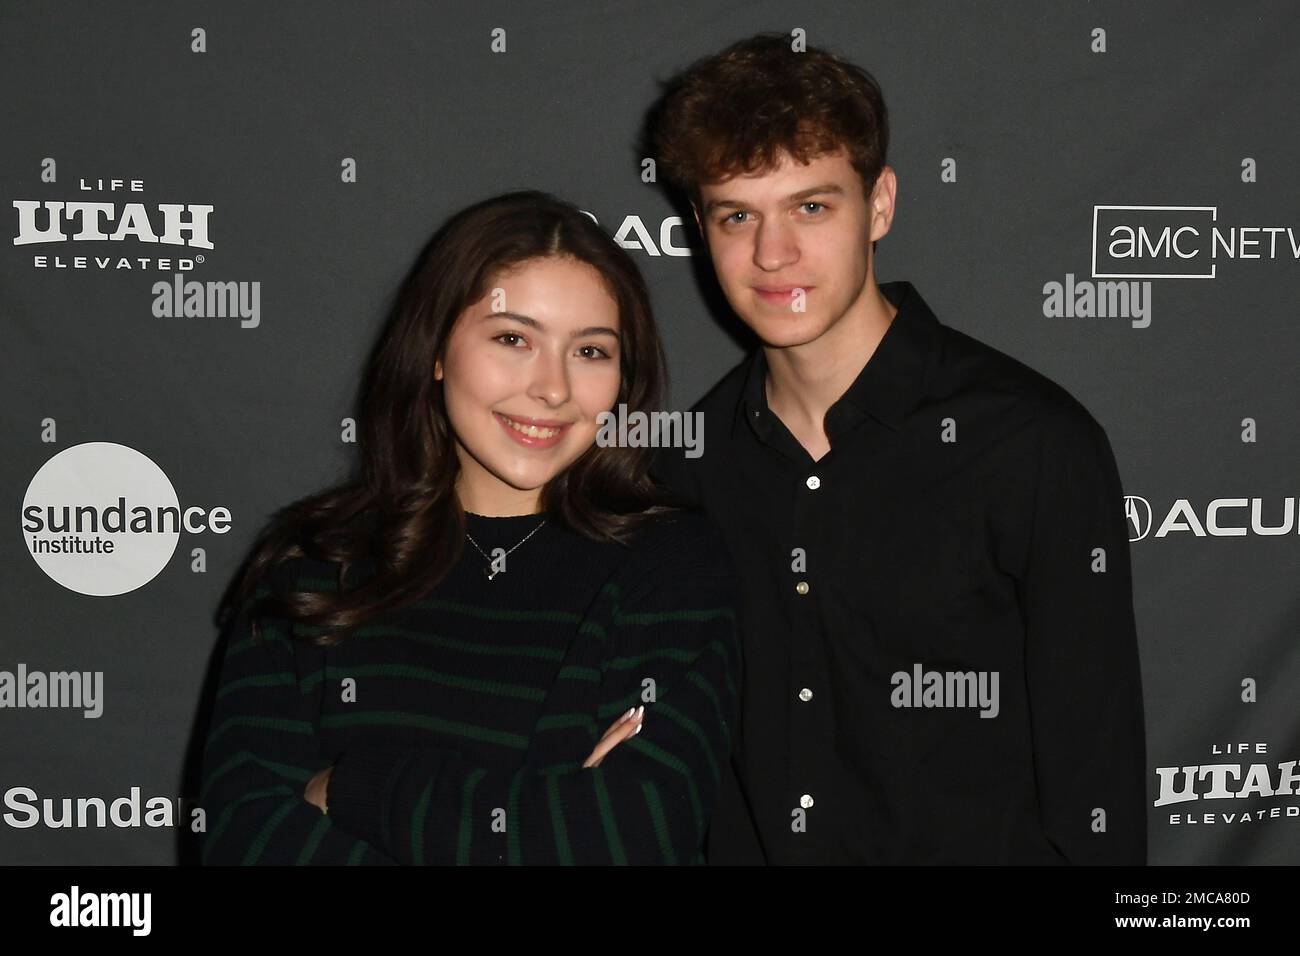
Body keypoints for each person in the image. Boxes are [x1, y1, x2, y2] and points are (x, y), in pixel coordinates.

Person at [646, 33, 1147, 864]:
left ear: (879, 204)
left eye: (812, 206)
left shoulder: (1030, 445)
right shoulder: (687, 467)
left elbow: (1097, 784)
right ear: (700, 226)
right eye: (739, 214)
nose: (773, 255)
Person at [196, 190, 741, 865]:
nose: (552, 388)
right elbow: (241, 838)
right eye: (513, 339)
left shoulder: (671, 567)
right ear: (435, 350)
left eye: (592, 352)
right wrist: (537, 807)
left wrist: (352, 786)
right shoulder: (315, 563)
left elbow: (626, 834)